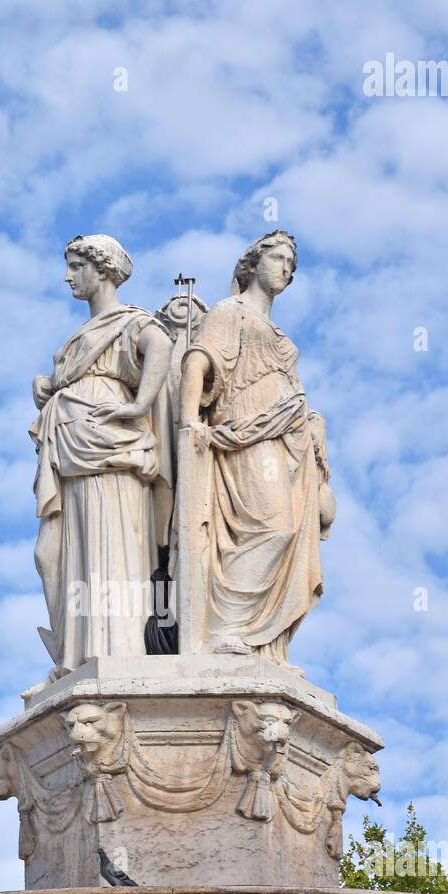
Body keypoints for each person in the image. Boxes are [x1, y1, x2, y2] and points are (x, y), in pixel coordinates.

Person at [178, 230, 333, 666]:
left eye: (292, 263)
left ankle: (262, 640)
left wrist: (315, 424)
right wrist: (190, 421)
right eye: (278, 258)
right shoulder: (232, 312)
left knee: (288, 528)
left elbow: (294, 387)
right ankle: (226, 627)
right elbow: (199, 359)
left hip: (292, 441)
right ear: (253, 263)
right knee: (272, 526)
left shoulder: (278, 332)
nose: (286, 267)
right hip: (247, 428)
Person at [29, 234, 172, 681]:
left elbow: (161, 348)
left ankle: (117, 649)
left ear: (103, 269)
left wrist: (137, 405)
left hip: (110, 446)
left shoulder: (130, 321)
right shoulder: (81, 336)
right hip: (71, 449)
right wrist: (49, 387)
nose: (68, 275)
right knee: (57, 552)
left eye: (76, 265)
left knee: (111, 541)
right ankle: (76, 652)